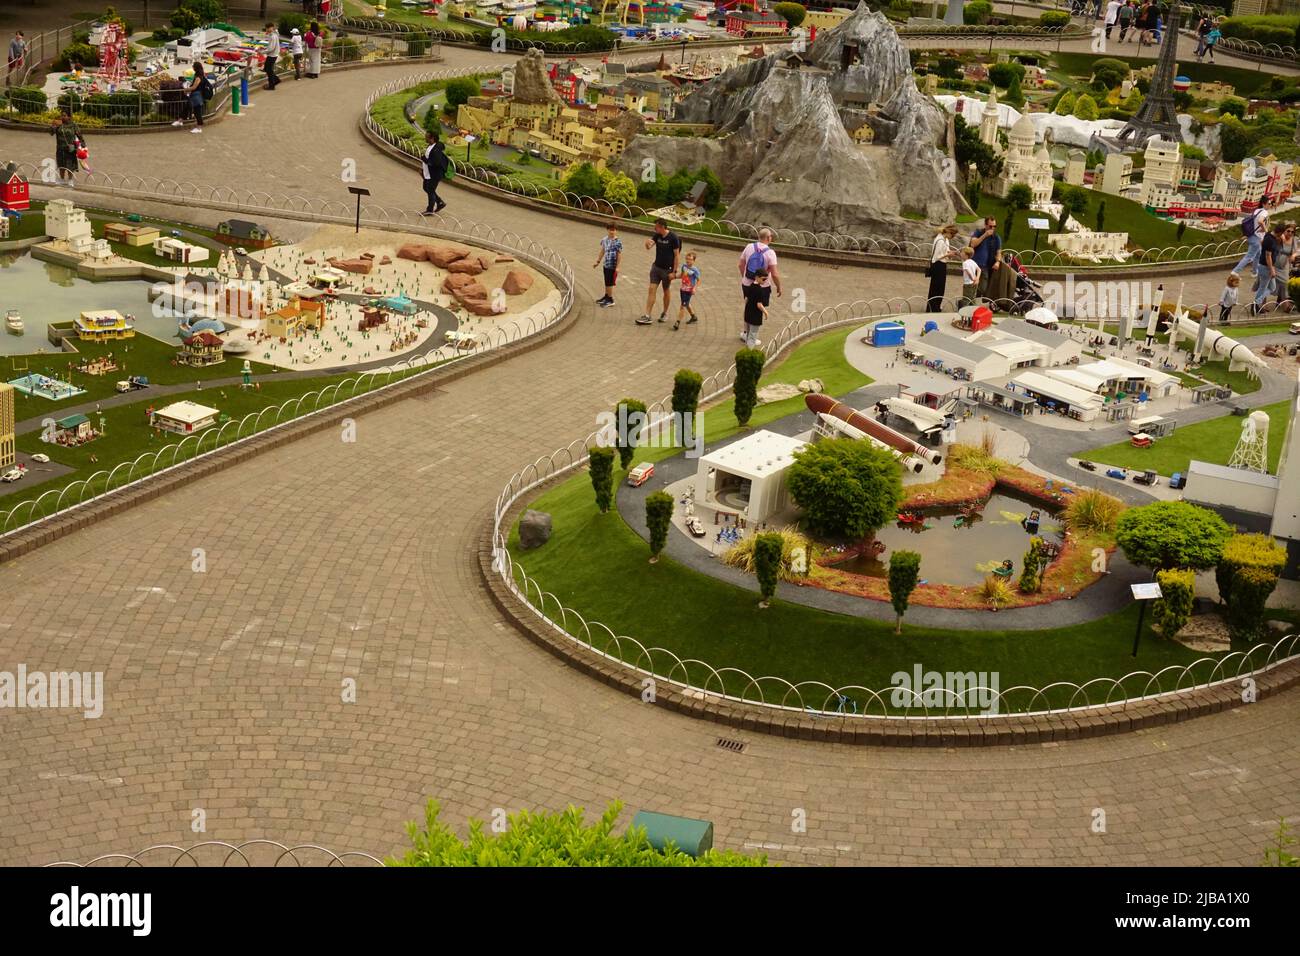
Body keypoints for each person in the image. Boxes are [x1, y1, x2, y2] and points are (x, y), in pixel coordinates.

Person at [737, 228, 783, 338]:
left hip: (747, 284)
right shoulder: (770, 253)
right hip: (762, 287)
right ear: (768, 238)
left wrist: (745, 277)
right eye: (770, 236)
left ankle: (745, 333)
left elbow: (740, 265)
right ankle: (752, 337)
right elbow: (774, 274)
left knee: (748, 307)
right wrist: (779, 286)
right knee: (758, 309)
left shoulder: (749, 247)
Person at [638, 218, 680, 326]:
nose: (654, 228)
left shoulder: (673, 238)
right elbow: (649, 247)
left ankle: (665, 313)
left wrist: (674, 272)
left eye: (656, 227)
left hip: (667, 270)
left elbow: (676, 255)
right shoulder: (657, 235)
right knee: (651, 289)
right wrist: (646, 244)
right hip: (656, 268)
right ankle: (647, 315)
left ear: (662, 227)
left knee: (666, 290)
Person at [1253, 222, 1286, 314]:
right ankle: (1255, 304)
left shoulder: (1270, 235)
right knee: (1262, 287)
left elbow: (1261, 242)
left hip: (1267, 266)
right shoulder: (1270, 240)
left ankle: (1257, 301)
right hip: (1265, 267)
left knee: (1272, 287)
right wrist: (1272, 270)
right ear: (1280, 232)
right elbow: (1268, 256)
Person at [925, 225, 958, 313]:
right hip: (938, 265)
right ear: (948, 232)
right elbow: (937, 257)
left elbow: (944, 251)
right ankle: (933, 307)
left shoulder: (945, 239)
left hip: (942, 264)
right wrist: (948, 254)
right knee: (936, 287)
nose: (953, 237)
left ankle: (936, 306)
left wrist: (950, 253)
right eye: (952, 234)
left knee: (940, 287)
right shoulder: (940, 240)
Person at [968, 216, 1000, 299]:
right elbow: (973, 244)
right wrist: (985, 235)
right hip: (974, 265)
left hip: (986, 266)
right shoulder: (978, 232)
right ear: (985, 225)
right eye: (990, 226)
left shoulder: (996, 237)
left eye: (994, 226)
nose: (992, 228)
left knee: (983, 288)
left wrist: (998, 262)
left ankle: (972, 301)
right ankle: (968, 302)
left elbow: (999, 251)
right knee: (971, 287)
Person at [174, 61, 210, 133]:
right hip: (195, 95)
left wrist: (186, 89)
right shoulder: (199, 75)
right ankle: (180, 121)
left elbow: (194, 87)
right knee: (187, 107)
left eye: (193, 66)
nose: (192, 67)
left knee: (197, 112)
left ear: (196, 68)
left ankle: (199, 128)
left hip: (196, 96)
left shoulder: (198, 77)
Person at [1233, 204, 1269, 276]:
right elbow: (1260, 221)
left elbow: (1253, 223)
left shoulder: (1257, 210)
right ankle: (1235, 272)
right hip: (1257, 237)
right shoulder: (1264, 212)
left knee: (1258, 255)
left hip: (1251, 235)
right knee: (1249, 257)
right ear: (1264, 204)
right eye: (1270, 203)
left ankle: (1254, 272)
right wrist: (1265, 230)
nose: (1271, 205)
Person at [593, 220, 622, 307]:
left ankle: (610, 299)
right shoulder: (605, 239)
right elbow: (602, 250)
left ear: (616, 231)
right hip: (606, 264)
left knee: (609, 283)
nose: (612, 232)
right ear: (607, 230)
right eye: (610, 230)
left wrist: (617, 267)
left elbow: (619, 255)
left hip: (612, 265)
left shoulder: (617, 242)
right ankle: (606, 296)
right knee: (606, 281)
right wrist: (598, 261)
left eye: (614, 230)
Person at [51, 108, 82, 186]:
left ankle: (70, 180)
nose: (62, 117)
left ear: (69, 117)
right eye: (62, 115)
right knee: (61, 164)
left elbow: (79, 135)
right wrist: (53, 126)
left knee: (70, 165)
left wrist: (83, 146)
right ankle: (61, 179)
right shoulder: (59, 125)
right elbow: (51, 133)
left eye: (64, 115)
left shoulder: (73, 125)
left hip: (70, 149)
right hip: (60, 148)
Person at [420, 130, 448, 216]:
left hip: (434, 174)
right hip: (428, 173)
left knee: (430, 190)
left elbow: (435, 163)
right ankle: (439, 202)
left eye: (427, 137)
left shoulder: (436, 149)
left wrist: (425, 160)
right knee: (426, 187)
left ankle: (430, 210)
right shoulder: (431, 146)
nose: (425, 138)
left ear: (432, 138)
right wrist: (423, 170)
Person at [742, 267, 770, 348]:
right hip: (755, 316)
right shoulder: (759, 290)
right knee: (753, 335)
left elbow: (746, 299)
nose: (765, 281)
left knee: (748, 335)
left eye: (766, 279)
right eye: (763, 279)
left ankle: (746, 350)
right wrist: (765, 312)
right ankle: (750, 352)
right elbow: (759, 304)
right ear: (757, 277)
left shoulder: (751, 286)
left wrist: (745, 311)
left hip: (748, 313)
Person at [672, 251, 701, 330]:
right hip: (683, 289)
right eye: (687, 259)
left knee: (682, 306)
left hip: (689, 290)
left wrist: (694, 288)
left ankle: (677, 322)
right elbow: (682, 275)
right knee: (686, 304)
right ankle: (693, 317)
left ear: (694, 260)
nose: (688, 261)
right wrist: (674, 277)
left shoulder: (695, 270)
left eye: (690, 259)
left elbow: (699, 281)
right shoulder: (684, 266)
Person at [1273, 222, 1296, 306]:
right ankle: (1262, 303)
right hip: (1276, 262)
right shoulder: (1280, 238)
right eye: (1288, 231)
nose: (1290, 233)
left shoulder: (1293, 240)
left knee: (1285, 283)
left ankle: (1285, 304)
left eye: (1292, 232)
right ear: (1284, 231)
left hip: (1285, 264)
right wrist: (1281, 239)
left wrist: (1293, 255)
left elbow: (1295, 251)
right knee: (1271, 283)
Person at [262, 23, 281, 90]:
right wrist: (265, 49)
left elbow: (271, 48)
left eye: (268, 28)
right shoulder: (274, 34)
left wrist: (262, 52)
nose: (267, 29)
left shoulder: (273, 36)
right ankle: (276, 80)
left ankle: (271, 86)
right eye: (267, 28)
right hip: (273, 54)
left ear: (272, 28)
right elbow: (270, 46)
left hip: (272, 55)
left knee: (269, 70)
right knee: (267, 69)